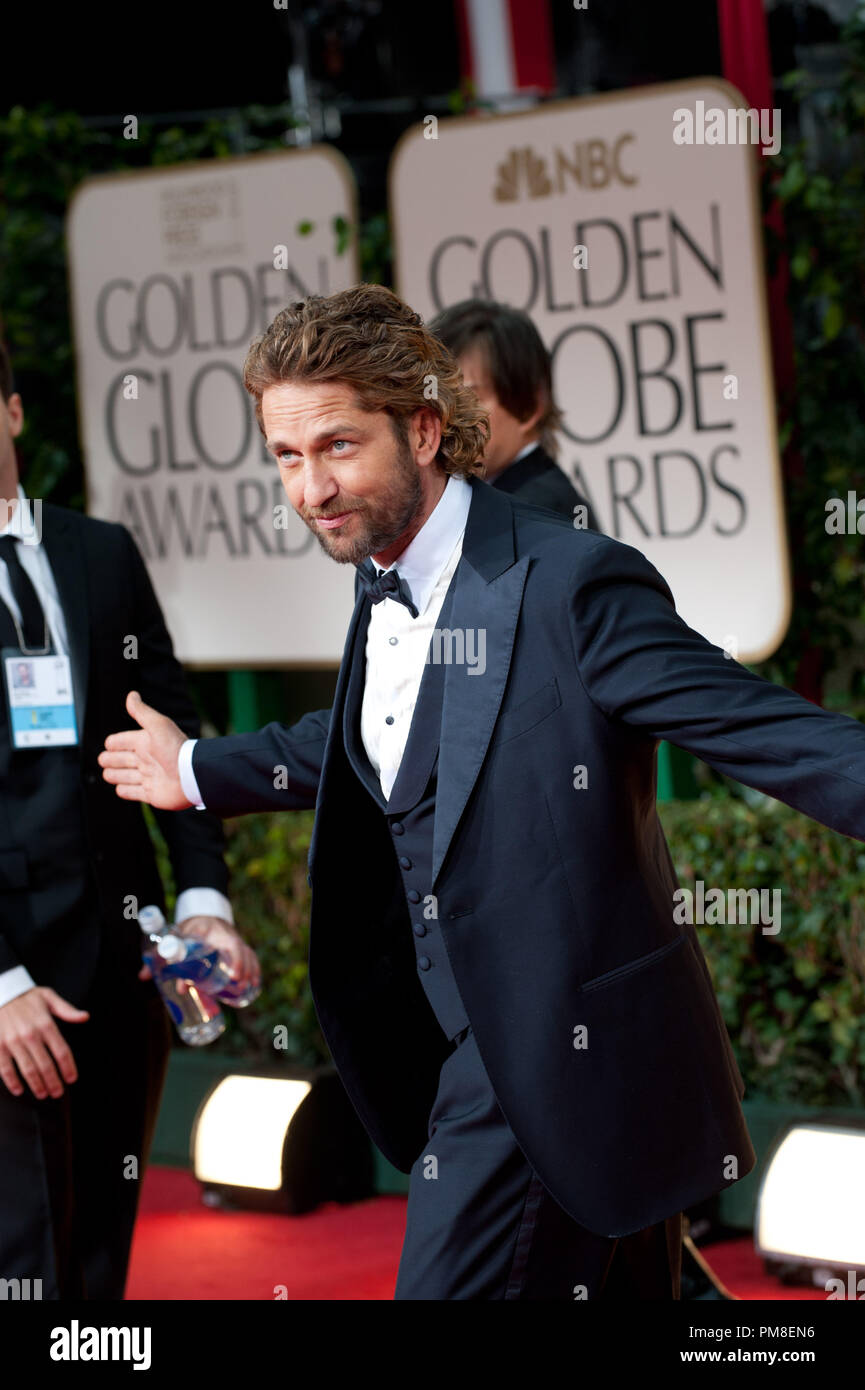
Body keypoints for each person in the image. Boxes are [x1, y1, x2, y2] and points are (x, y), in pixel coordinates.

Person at [100, 284, 865, 1301]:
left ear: (422, 427)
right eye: (286, 457)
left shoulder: (568, 582)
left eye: (336, 447)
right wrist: (195, 769)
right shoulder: (385, 579)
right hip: (473, 1058)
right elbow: (367, 741)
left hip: (548, 1064)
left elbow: (763, 729)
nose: (309, 489)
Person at [0, 339, 260, 1300]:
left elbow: (171, 730)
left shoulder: (100, 551)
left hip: (124, 964)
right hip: (10, 987)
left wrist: (203, 900)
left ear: (15, 412)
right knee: (23, 1264)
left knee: (102, 1253)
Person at [429, 298, 600, 528]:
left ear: (529, 405)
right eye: (439, 399)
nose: (445, 417)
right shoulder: (489, 500)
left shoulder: (540, 513)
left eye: (467, 399)